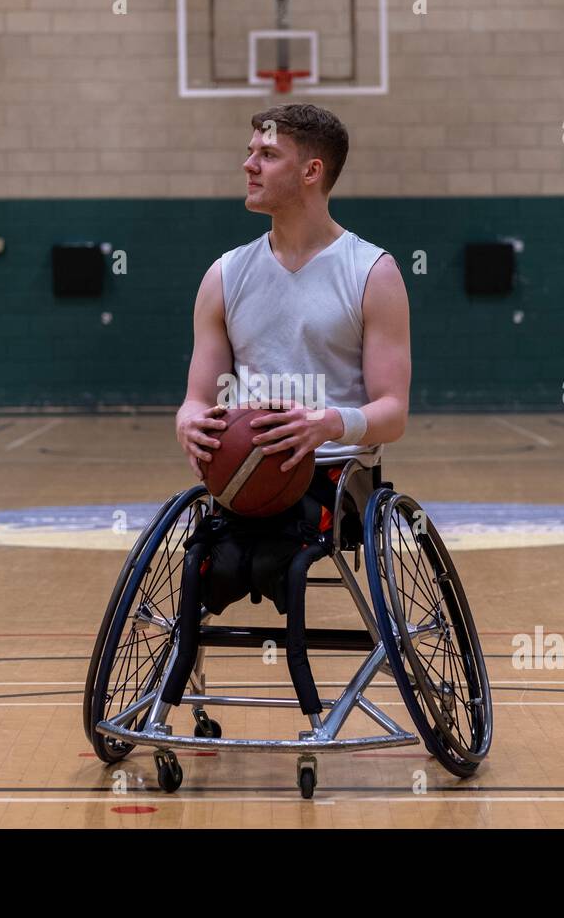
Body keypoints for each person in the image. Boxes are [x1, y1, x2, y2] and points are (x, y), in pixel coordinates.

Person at [162, 104, 411, 714]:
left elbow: (393, 412)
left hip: (333, 478)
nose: (248, 164)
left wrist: (330, 422)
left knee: (287, 558)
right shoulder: (225, 275)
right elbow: (198, 399)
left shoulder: (371, 273)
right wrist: (189, 421)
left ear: (311, 171)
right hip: (241, 480)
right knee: (201, 558)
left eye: (266, 155)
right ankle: (169, 694)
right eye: (251, 152)